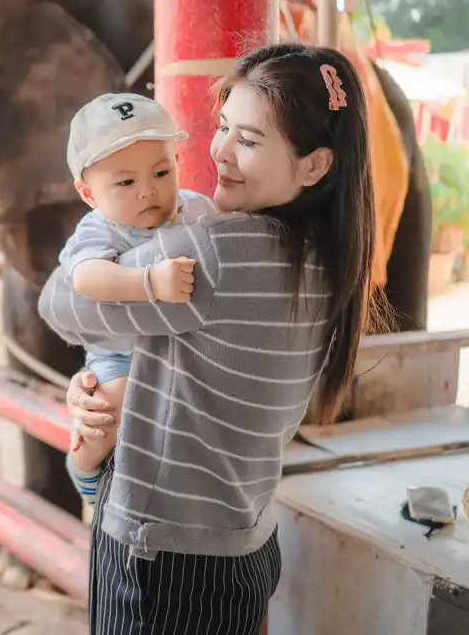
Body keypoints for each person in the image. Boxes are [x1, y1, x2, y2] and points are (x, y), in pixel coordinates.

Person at [38, 44, 382, 634]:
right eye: (223, 126)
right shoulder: (330, 261)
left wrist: (104, 355)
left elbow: (59, 306)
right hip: (248, 542)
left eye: (248, 140)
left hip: (161, 558)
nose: (218, 151)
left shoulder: (217, 254)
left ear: (314, 166)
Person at [58, 92, 216, 477]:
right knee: (112, 407)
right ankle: (84, 467)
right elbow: (86, 276)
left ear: (177, 163)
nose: (147, 191)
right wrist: (149, 282)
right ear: (88, 193)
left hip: (186, 349)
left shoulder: (197, 209)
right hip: (122, 355)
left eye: (161, 174)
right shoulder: (99, 228)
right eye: (125, 181)